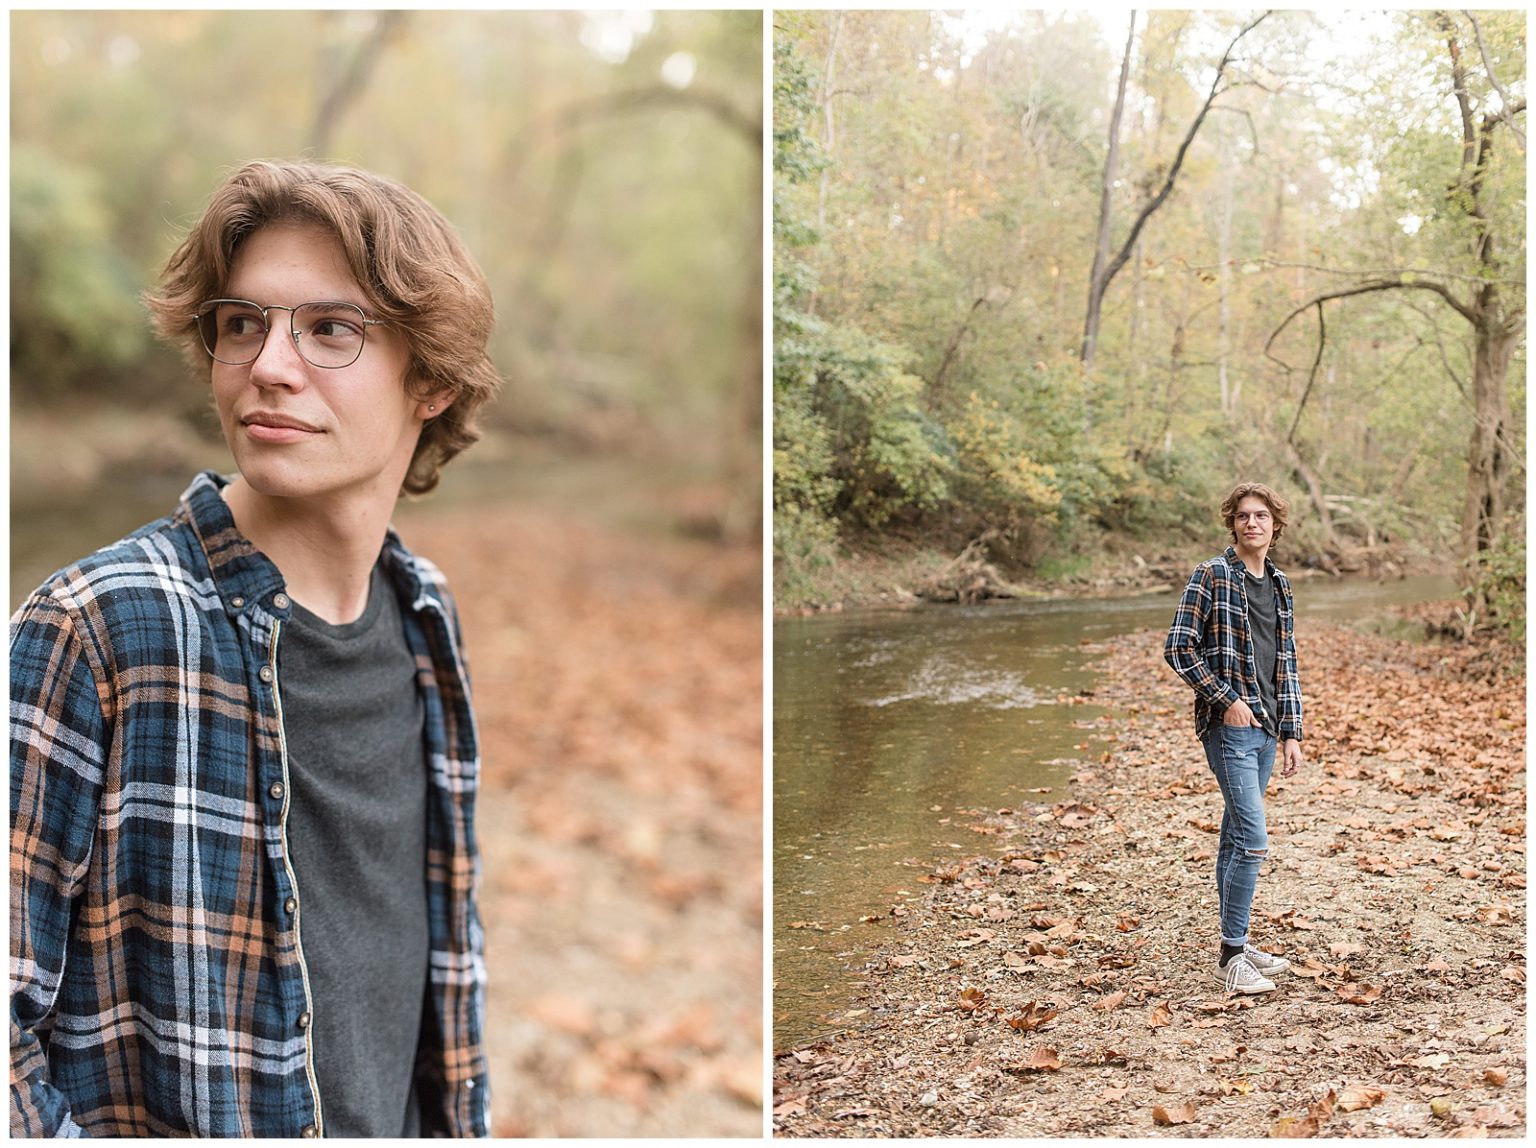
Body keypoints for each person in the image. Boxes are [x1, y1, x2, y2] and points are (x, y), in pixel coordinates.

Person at [10, 160, 501, 1137]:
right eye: (244, 323)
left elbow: (433, 983)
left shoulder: (423, 618)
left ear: (433, 380)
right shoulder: (97, 628)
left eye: (331, 329)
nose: (270, 365)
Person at [1163, 481, 1305, 996]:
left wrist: (1291, 731)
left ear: (1275, 525)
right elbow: (1178, 647)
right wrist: (1226, 699)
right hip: (1228, 731)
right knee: (1253, 842)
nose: (1252, 523)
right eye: (1243, 516)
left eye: (1261, 516)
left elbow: (1284, 662)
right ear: (1233, 523)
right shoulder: (1211, 576)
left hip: (1268, 731)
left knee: (1234, 839)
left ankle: (1237, 945)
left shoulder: (1281, 585)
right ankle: (1231, 958)